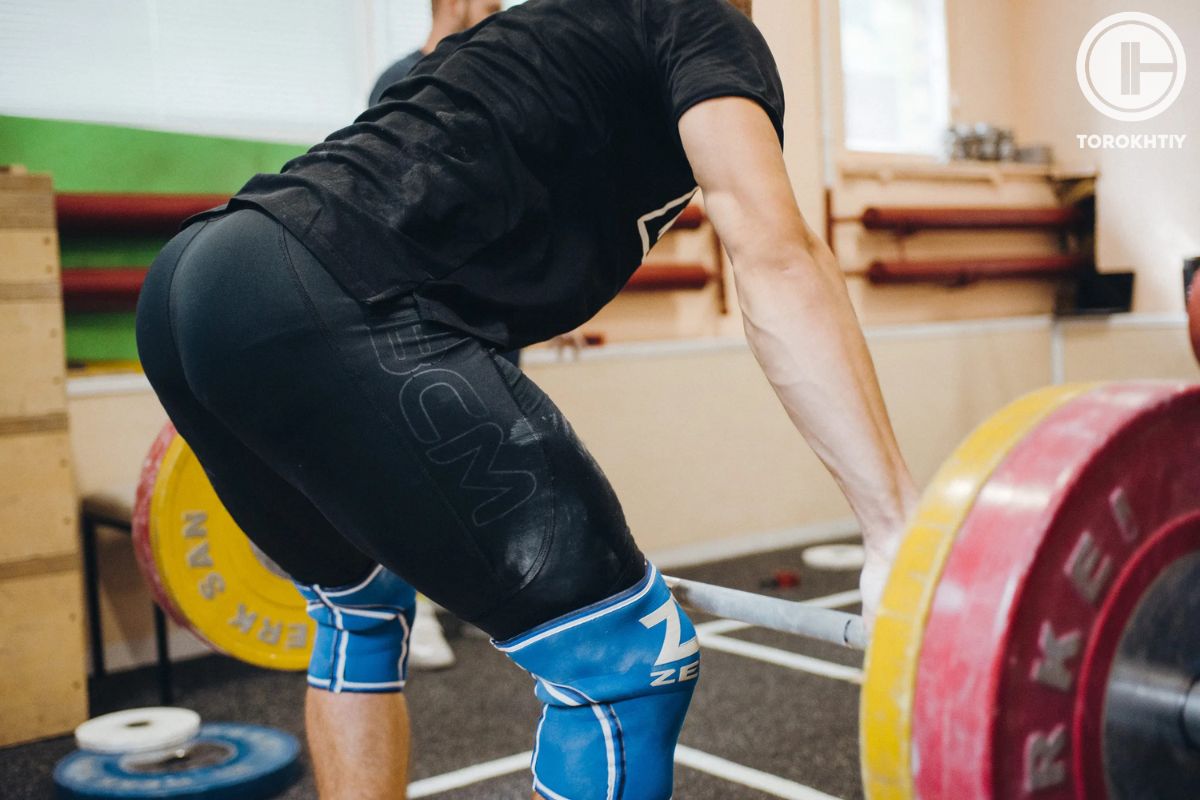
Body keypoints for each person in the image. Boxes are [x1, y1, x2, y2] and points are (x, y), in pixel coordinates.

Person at [135, 0, 917, 797]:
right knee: (627, 664)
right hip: (326, 303)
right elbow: (775, 253)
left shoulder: (535, 35)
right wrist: (894, 527)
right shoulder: (700, 20)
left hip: (193, 287)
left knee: (360, 612)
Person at [370, 0, 506, 674]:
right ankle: (414, 609)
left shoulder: (504, 70)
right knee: (419, 463)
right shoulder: (399, 79)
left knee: (488, 457)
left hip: (489, 302)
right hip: (414, 304)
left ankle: (483, 599)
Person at [368, 0, 502, 107]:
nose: (498, 22)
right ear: (454, 3)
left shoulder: (486, 77)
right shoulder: (397, 80)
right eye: (491, 10)